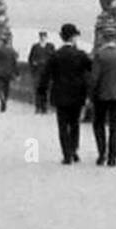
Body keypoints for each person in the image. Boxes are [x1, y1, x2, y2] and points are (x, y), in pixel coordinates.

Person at [37, 24, 93, 164]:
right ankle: (74, 150)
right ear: (73, 37)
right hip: (77, 94)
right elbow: (92, 70)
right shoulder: (81, 55)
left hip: (60, 94)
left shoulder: (55, 55)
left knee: (62, 125)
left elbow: (45, 75)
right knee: (75, 124)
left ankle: (66, 154)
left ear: (62, 37)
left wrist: (42, 91)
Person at [89, 27, 116, 166]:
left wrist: (91, 95)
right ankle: (113, 158)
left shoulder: (100, 54)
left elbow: (94, 78)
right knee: (115, 127)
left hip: (101, 95)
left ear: (103, 38)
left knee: (99, 124)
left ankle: (102, 154)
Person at [27, 31, 54, 114]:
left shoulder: (50, 46)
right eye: (41, 36)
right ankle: (38, 107)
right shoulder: (35, 47)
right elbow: (30, 58)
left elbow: (54, 58)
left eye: (44, 36)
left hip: (47, 72)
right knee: (38, 90)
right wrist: (34, 64)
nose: (42, 38)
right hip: (37, 71)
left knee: (45, 90)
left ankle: (44, 108)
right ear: (39, 37)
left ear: (46, 37)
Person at [0, 35, 19, 111]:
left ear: (2, 42)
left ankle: (2, 98)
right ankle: (5, 100)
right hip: (8, 73)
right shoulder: (11, 51)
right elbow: (14, 63)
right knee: (6, 88)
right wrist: (17, 73)